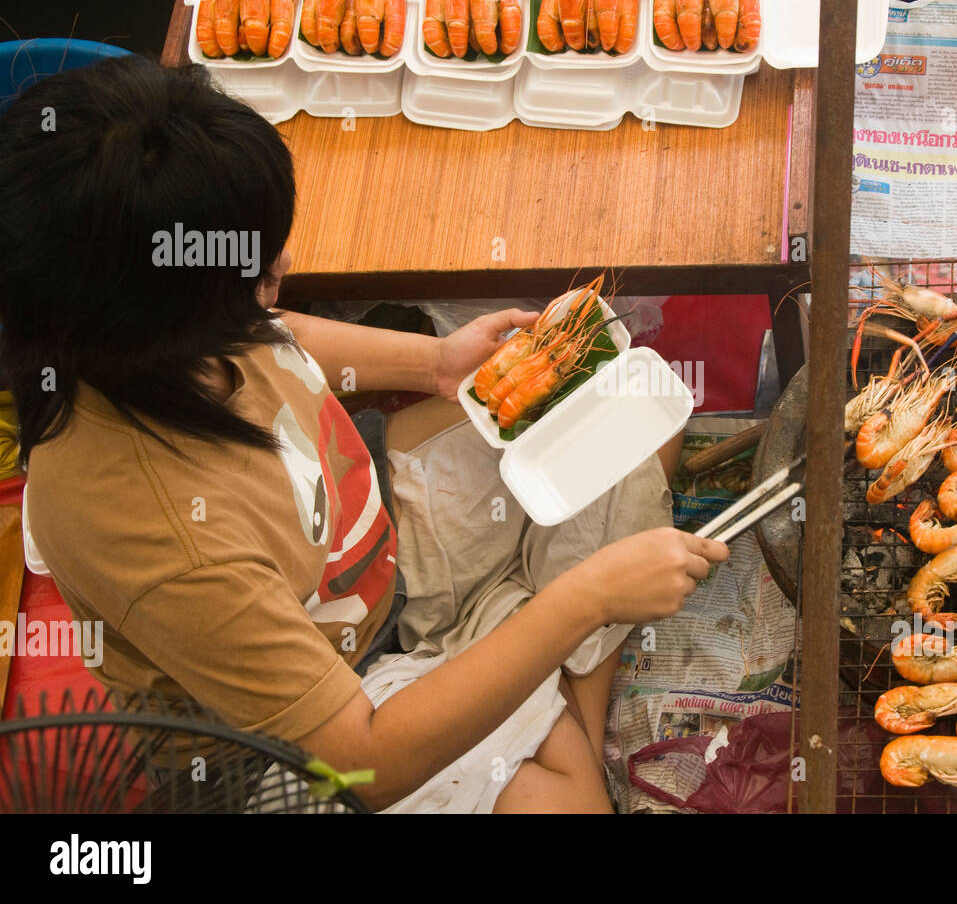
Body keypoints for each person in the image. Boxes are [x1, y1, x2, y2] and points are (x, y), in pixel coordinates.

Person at [0, 57, 729, 814]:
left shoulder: (144, 321)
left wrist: (440, 365)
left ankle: (533, 688)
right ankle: (558, 695)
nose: (282, 267)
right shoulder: (157, 535)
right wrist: (584, 600)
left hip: (372, 536)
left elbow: (273, 331)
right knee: (574, 801)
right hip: (317, 724)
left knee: (630, 415)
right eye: (253, 273)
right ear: (168, 323)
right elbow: (363, 755)